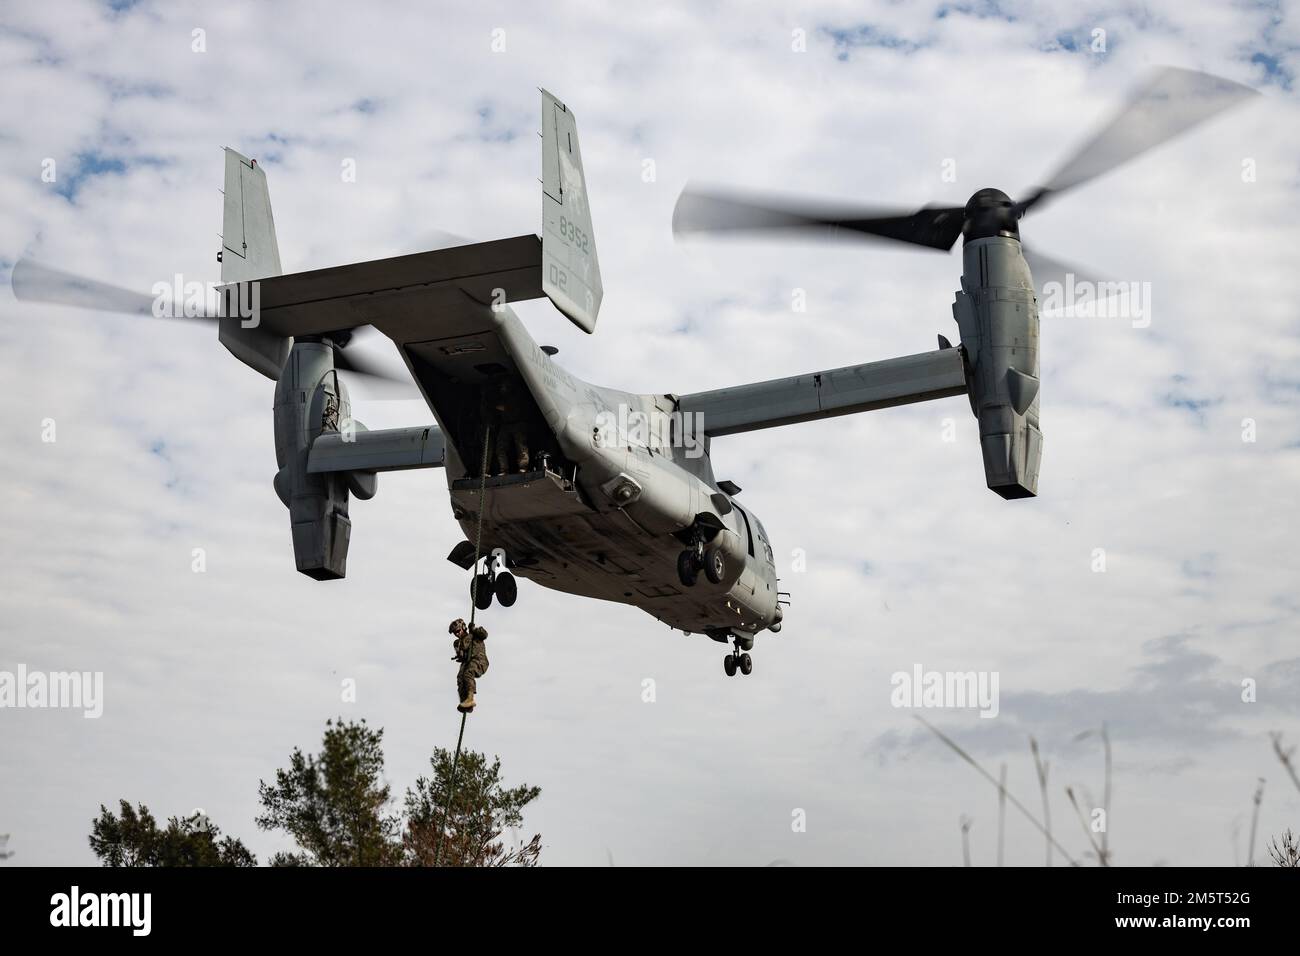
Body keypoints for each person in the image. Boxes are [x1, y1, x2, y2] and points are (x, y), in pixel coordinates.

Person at [449, 618, 489, 713]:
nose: (457, 634)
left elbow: (484, 634)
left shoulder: (475, 635)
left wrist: (474, 630)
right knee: (460, 678)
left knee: (468, 672)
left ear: (463, 628)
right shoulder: (457, 643)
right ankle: (465, 702)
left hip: (479, 660)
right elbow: (462, 648)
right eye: (455, 633)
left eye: (458, 631)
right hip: (467, 662)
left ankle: (470, 698)